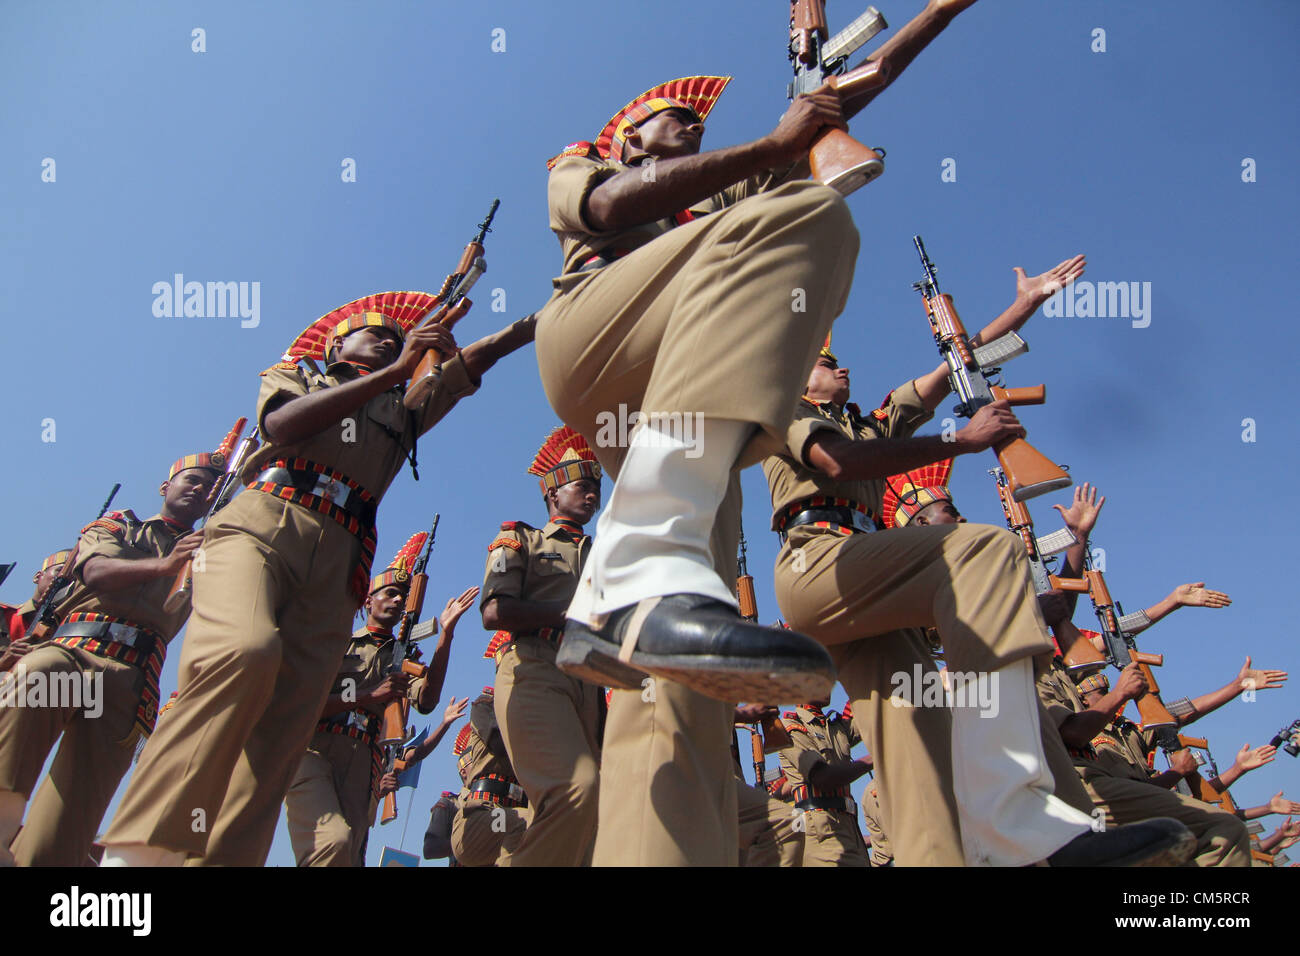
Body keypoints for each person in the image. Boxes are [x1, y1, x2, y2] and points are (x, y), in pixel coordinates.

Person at [102, 292, 535, 866]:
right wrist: (403, 364)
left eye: (393, 334)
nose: (385, 338)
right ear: (336, 345)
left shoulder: (399, 409)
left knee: (287, 726)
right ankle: (138, 857)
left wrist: (530, 326)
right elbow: (281, 424)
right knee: (242, 651)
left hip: (338, 559)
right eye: (372, 333)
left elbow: (468, 365)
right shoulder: (298, 375)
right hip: (260, 527)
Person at [0, 453, 217, 866]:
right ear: (165, 486)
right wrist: (168, 565)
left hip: (134, 679)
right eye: (191, 479)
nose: (198, 489)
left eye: (209, 486)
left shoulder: (211, 551)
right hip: (75, 652)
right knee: (36, 673)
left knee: (68, 825)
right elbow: (97, 571)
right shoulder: (119, 524)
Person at [283, 529, 476, 866]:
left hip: (364, 762)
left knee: (349, 856)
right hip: (316, 750)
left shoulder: (403, 656)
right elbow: (304, 702)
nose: (398, 600)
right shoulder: (339, 640)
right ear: (368, 600)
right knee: (332, 843)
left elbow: (427, 700)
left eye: (403, 595)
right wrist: (367, 694)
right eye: (389, 593)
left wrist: (446, 635)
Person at [480, 427, 603, 865]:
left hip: (588, 684)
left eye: (597, 489)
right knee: (576, 788)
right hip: (535, 669)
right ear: (553, 494)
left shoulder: (605, 555)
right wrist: (568, 614)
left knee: (587, 820)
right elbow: (494, 612)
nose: (592, 496)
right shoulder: (521, 540)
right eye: (583, 487)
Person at [777, 701, 873, 866]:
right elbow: (823, 778)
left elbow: (871, 716)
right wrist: (873, 759)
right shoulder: (791, 726)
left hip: (848, 826)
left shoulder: (832, 726)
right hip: (822, 831)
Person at [449, 683, 529, 867]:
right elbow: (499, 743)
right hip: (484, 815)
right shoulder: (486, 704)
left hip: (509, 815)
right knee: (529, 824)